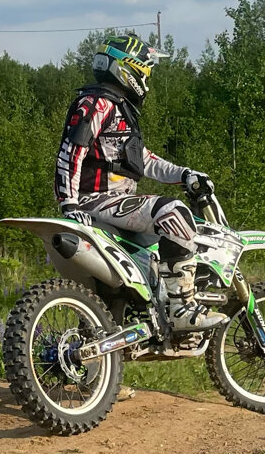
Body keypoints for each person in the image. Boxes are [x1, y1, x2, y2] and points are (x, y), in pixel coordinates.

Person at [54, 34, 225, 332]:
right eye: (145, 68)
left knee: (120, 295)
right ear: (129, 69)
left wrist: (185, 174)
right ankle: (182, 307)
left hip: (104, 205)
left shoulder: (116, 108)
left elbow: (143, 161)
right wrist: (68, 203)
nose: (147, 75)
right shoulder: (98, 103)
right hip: (98, 201)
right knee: (176, 213)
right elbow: (72, 150)